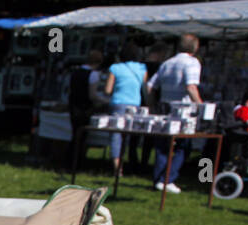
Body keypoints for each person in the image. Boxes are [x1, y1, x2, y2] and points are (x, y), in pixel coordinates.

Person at [148, 33, 203, 193]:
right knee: (182, 146)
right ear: (195, 47)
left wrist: (152, 105)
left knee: (163, 146)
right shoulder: (192, 63)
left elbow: (150, 85)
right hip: (182, 110)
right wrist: (200, 106)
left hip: (165, 107)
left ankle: (158, 178)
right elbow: (191, 87)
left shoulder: (167, 63)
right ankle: (168, 179)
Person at [104, 43, 147, 175]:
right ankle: (129, 162)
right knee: (129, 136)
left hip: (118, 103)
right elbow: (145, 89)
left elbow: (107, 90)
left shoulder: (115, 68)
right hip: (135, 104)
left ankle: (117, 166)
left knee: (116, 135)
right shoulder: (142, 68)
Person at [68, 49, 104, 169]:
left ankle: (70, 161)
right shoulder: (93, 74)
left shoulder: (75, 72)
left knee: (75, 134)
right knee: (82, 136)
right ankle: (77, 163)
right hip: (84, 108)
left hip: (73, 106)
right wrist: (105, 101)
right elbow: (92, 95)